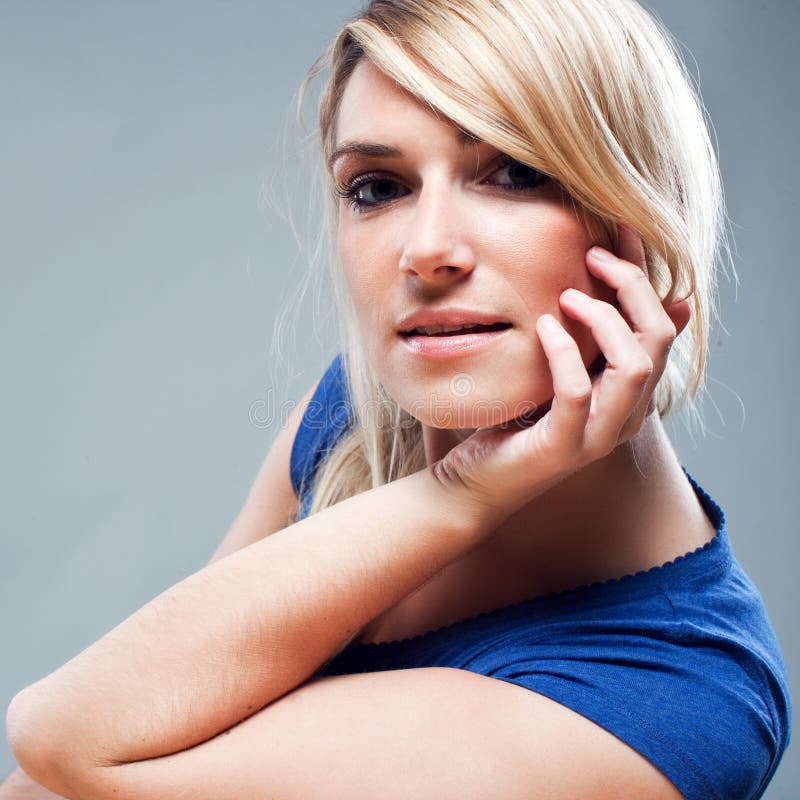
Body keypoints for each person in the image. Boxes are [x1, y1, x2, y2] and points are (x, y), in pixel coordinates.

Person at [4, 1, 791, 798]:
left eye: (515, 171)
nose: (426, 250)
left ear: (647, 220)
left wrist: (464, 492)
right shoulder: (358, 415)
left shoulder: (667, 710)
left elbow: (65, 742)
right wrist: (462, 494)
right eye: (378, 187)